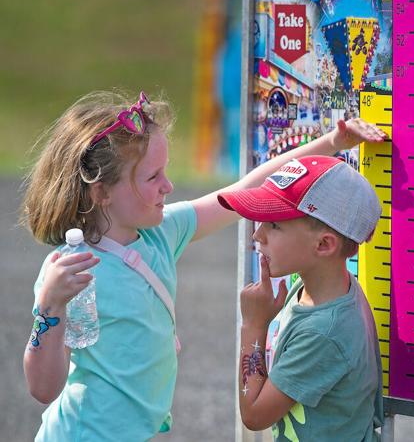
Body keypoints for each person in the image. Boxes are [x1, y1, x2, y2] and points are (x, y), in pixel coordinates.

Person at [20, 90, 385, 441]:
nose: (169, 185)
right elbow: (43, 387)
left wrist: (330, 145)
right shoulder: (71, 271)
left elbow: (249, 188)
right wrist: (50, 306)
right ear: (102, 192)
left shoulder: (160, 234)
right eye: (153, 177)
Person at [217, 155, 383, 441]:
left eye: (275, 225)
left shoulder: (325, 332)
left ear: (324, 244)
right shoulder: (318, 287)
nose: (258, 234)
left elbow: (254, 415)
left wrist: (253, 326)